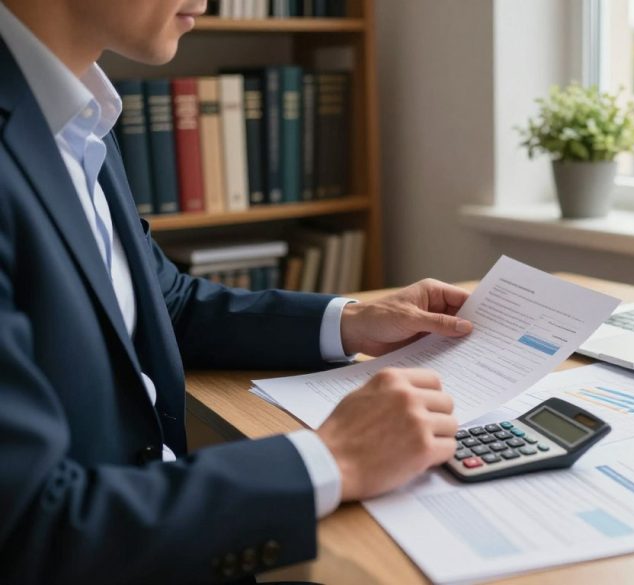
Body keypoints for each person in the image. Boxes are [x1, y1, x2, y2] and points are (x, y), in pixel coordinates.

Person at [0, 0, 471, 582]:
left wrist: (351, 321)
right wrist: (333, 458)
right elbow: (26, 530)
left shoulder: (75, 111)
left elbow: (159, 302)